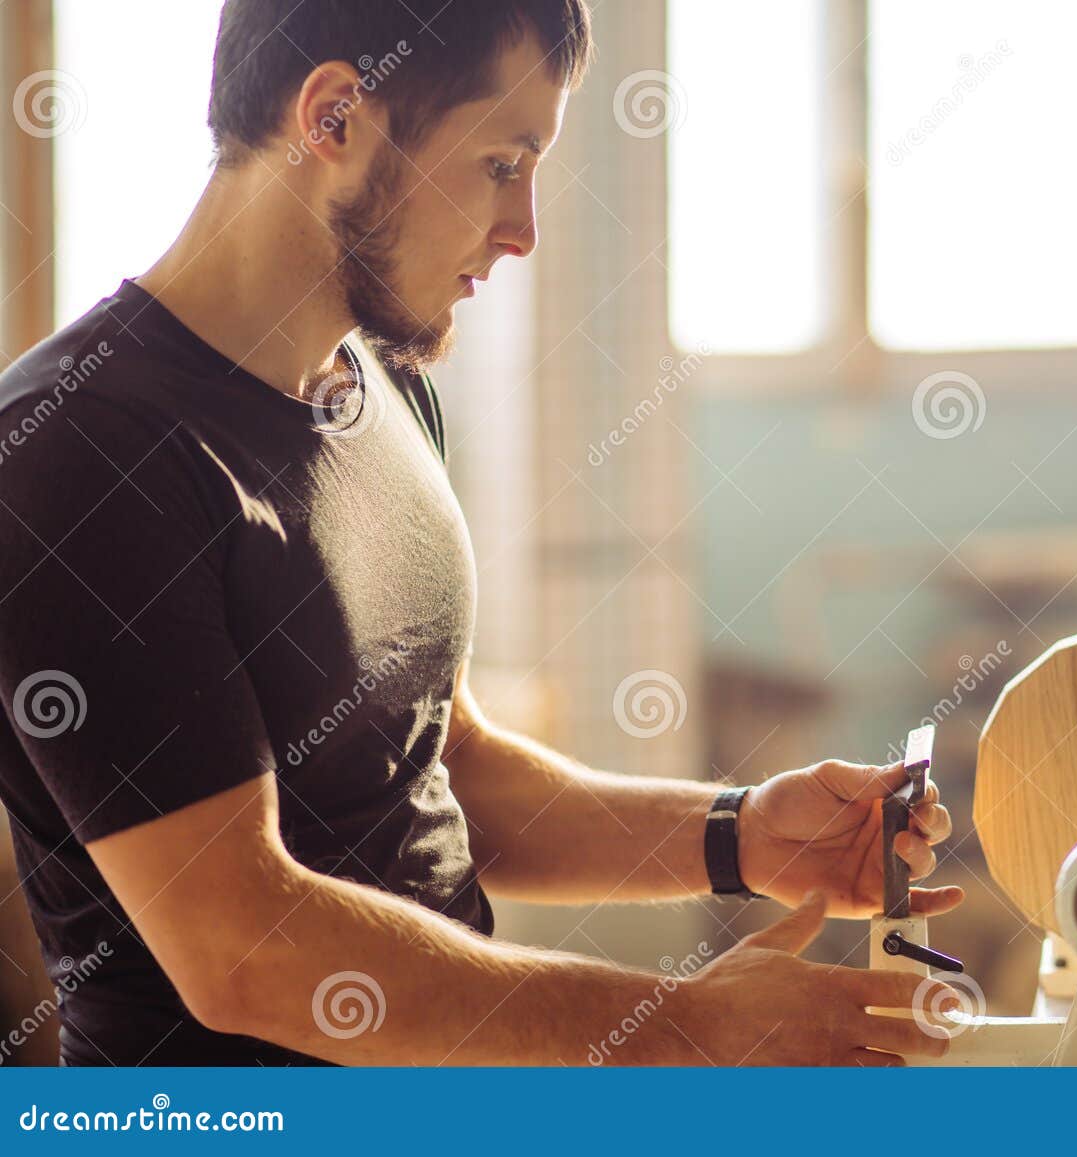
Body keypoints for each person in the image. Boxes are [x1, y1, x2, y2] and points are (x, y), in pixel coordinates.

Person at [0, 0, 962, 1066]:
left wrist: (738, 832)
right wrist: (684, 1027)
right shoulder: (74, 454)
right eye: (502, 163)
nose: (524, 231)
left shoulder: (379, 385)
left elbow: (442, 767)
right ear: (333, 120)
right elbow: (243, 947)